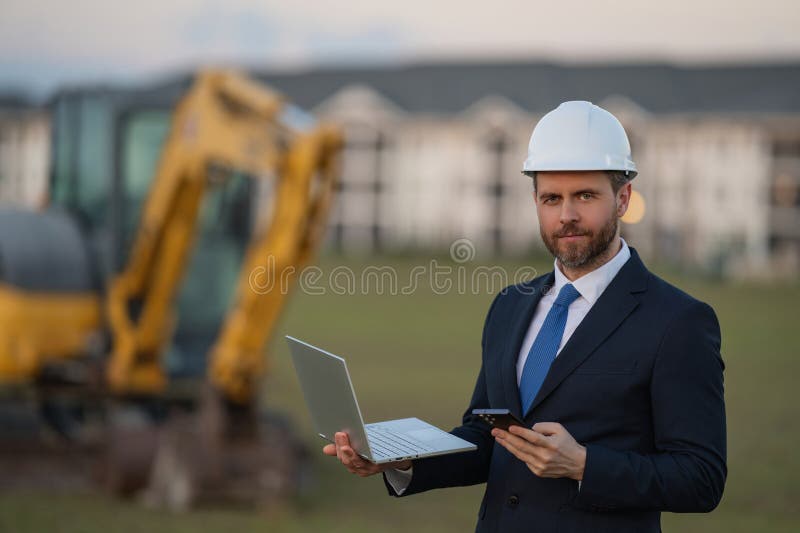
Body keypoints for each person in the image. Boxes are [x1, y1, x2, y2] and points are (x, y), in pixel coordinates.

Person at [323, 101, 727, 533]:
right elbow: (487, 439)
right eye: (552, 198)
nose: (566, 215)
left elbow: (701, 478)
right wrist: (402, 459)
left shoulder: (679, 321)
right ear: (535, 200)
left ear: (623, 198)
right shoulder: (509, 306)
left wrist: (585, 465)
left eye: (585, 196)